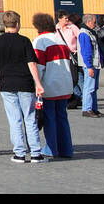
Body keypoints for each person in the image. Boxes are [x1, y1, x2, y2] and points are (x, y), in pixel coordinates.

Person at [0, 10, 46, 162]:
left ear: (4, 24)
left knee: (15, 120)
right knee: (30, 118)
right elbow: (31, 63)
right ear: (17, 24)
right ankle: (35, 153)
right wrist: (38, 83)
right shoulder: (25, 41)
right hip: (25, 84)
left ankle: (19, 153)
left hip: (7, 84)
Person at [31, 13, 74, 160]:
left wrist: (37, 84)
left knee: (49, 117)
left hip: (49, 85)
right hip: (65, 84)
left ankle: (51, 148)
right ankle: (66, 148)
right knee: (62, 117)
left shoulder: (40, 41)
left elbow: (39, 66)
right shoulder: (60, 40)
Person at [78, 14, 104, 118]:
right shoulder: (84, 33)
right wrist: (89, 66)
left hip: (95, 64)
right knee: (89, 88)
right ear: (88, 22)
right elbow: (86, 51)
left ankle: (94, 109)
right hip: (91, 65)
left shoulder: (90, 32)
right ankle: (86, 109)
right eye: (94, 22)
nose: (95, 24)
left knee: (94, 88)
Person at [56, 12, 82, 107]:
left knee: (74, 79)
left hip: (72, 57)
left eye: (67, 18)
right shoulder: (56, 29)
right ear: (59, 19)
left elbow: (81, 38)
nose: (67, 20)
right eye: (64, 18)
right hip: (61, 58)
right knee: (63, 78)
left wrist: (78, 50)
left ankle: (73, 97)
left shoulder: (72, 27)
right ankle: (70, 99)